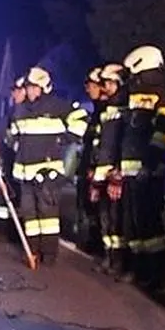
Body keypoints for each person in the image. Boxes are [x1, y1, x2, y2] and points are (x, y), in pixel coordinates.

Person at [121, 44, 165, 290]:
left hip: (151, 171)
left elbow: (163, 134)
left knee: (151, 225)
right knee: (134, 224)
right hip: (131, 170)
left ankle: (159, 274)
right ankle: (140, 269)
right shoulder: (134, 98)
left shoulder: (163, 98)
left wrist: (150, 165)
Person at [8, 66, 77, 263]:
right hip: (25, 173)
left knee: (48, 216)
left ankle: (49, 254)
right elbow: (14, 134)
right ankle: (32, 251)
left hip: (47, 172)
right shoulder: (21, 109)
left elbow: (80, 118)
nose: (30, 91)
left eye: (33, 87)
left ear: (43, 88)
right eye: (28, 88)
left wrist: (65, 139)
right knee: (29, 214)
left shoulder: (56, 106)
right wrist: (15, 143)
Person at [89, 63, 129, 276]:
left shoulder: (125, 107)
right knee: (105, 217)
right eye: (105, 83)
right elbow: (99, 142)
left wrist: (118, 171)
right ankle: (109, 256)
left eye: (110, 83)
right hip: (101, 170)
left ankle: (119, 261)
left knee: (116, 218)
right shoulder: (106, 108)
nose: (106, 87)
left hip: (114, 171)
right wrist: (93, 168)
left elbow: (124, 142)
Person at [71, 66, 104, 252]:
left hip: (97, 170)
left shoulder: (105, 111)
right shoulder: (95, 112)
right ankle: (92, 239)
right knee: (87, 206)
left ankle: (97, 243)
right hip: (87, 167)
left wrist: (94, 167)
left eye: (90, 85)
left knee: (98, 209)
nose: (87, 89)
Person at [0, 77, 28, 224]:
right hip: (9, 159)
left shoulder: (28, 112)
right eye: (13, 91)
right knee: (9, 187)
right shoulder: (12, 112)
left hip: (22, 161)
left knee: (20, 191)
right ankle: (8, 219)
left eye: (17, 91)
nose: (13, 94)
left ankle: (18, 218)